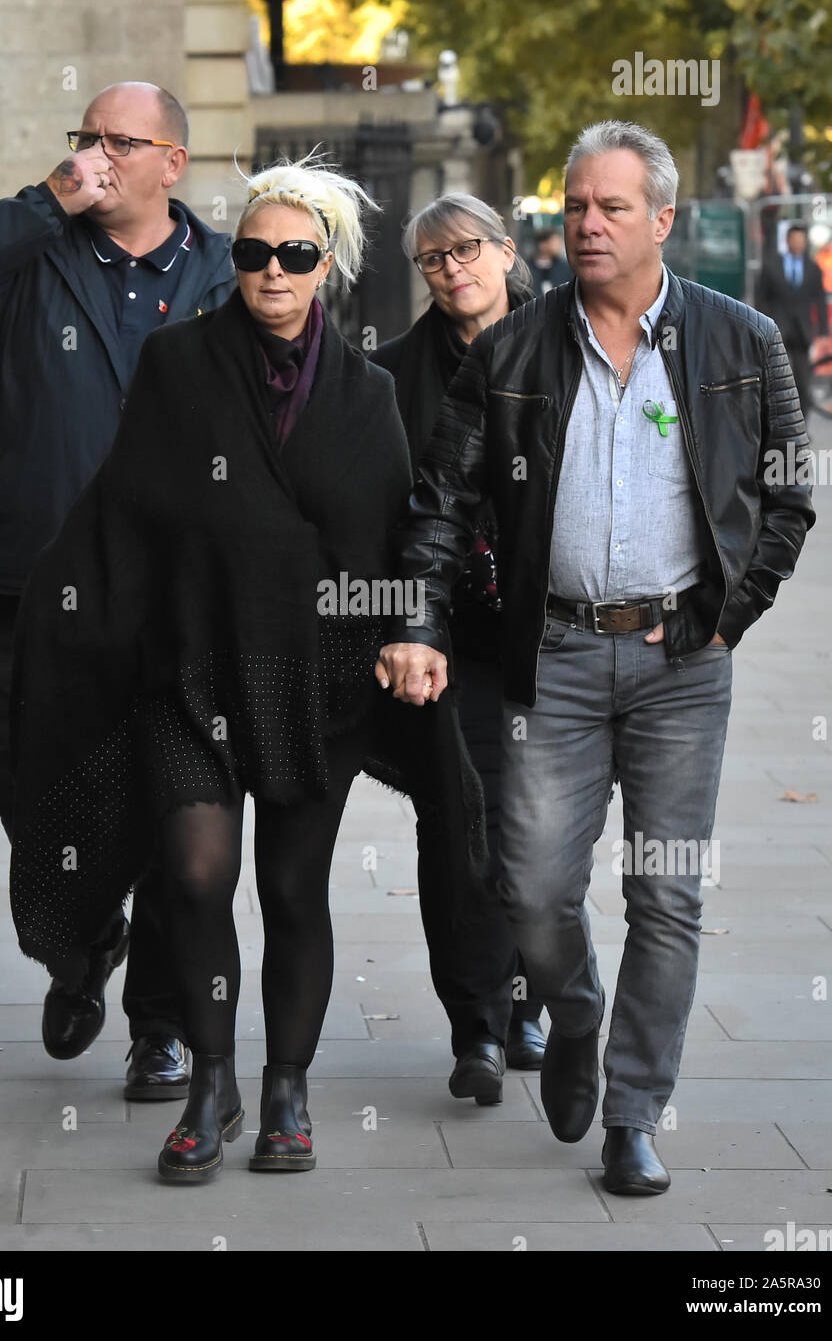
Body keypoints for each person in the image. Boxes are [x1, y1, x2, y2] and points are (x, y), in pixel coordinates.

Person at [7, 157, 485, 1184]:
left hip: (321, 680)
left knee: (291, 888)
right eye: (256, 252)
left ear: (327, 268)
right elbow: (125, 508)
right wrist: (72, 615)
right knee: (193, 873)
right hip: (191, 669)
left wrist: (412, 635)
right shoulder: (179, 364)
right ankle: (211, 1082)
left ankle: (287, 1095)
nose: (272, 270)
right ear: (240, 261)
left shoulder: (366, 393)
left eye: (295, 254)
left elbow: (393, 537)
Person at [377, 120, 814, 1195]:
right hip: (554, 655)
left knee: (667, 895)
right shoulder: (514, 350)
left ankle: (633, 1113)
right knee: (528, 887)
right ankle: (573, 1012)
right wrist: (419, 625)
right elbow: (442, 502)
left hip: (681, 662)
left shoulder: (740, 340)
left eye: (611, 206)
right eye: (575, 206)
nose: (587, 224)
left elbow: (790, 493)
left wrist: (729, 613)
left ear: (662, 219)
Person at [0, 81, 236, 1102]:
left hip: (175, 594)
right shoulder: (28, 249)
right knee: (25, 788)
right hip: (31, 585)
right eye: (83, 138)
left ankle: (164, 1031)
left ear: (171, 162)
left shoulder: (225, 272)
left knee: (180, 807)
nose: (96, 154)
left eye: (119, 142)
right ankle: (86, 940)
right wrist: (44, 201)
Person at [371, 193, 546, 1105]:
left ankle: (528, 996)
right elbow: (384, 511)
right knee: (461, 822)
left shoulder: (568, 345)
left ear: (505, 251)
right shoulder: (394, 373)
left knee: (539, 824)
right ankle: (476, 1025)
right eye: (433, 260)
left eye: (466, 251)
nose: (451, 270)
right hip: (451, 638)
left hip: (555, 631)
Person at [755, 222, 829, 417]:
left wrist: (823, 331)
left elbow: (820, 299)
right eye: (793, 239)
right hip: (777, 328)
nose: (797, 243)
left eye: (801, 239)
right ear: (787, 241)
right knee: (776, 380)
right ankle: (775, 425)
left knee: (803, 382)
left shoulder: (813, 268)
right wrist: (761, 326)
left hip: (803, 332)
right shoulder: (772, 265)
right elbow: (761, 297)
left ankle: (801, 425)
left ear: (805, 242)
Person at [530, 228, 572, 295]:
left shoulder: (565, 268)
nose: (559, 246)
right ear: (542, 245)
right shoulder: (527, 269)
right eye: (555, 243)